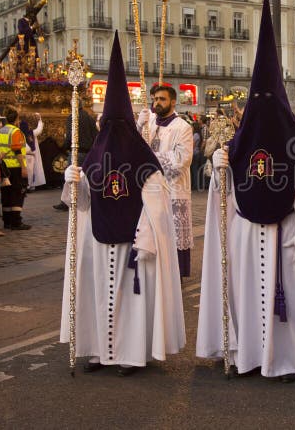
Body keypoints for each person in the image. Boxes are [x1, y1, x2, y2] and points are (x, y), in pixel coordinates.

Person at [197, 0, 295, 381]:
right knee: (248, 298)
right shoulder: (237, 145)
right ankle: (247, 354)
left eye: (269, 101)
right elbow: (224, 197)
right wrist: (218, 171)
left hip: (287, 235)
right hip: (246, 236)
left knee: (292, 302)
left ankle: (290, 359)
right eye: (256, 102)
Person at [60, 32, 185, 375]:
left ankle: (131, 354)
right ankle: (99, 351)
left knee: (131, 299)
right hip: (98, 241)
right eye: (108, 124)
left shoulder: (143, 158)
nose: (113, 130)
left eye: (119, 124)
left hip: (133, 241)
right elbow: (81, 203)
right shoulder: (94, 157)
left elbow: (156, 203)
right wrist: (73, 180)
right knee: (99, 295)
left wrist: (147, 237)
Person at [137, 85, 194, 278]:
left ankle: (175, 273)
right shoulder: (150, 123)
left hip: (174, 188)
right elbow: (134, 148)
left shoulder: (182, 127)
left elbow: (181, 160)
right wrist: (138, 126)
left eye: (162, 99)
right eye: (155, 99)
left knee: (173, 233)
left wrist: (150, 157)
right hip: (150, 189)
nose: (157, 103)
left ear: (172, 101)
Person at [0, 106, 30, 230]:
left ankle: (7, 221)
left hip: (4, 167)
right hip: (15, 167)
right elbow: (17, 151)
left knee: (6, 194)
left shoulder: (1, 131)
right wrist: (24, 168)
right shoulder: (15, 131)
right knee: (17, 194)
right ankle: (16, 221)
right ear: (16, 119)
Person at [23, 113, 46, 191]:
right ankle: (29, 185)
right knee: (30, 171)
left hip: (26, 155)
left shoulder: (21, 133)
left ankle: (29, 185)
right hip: (29, 154)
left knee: (29, 171)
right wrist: (40, 120)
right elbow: (39, 130)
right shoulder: (30, 133)